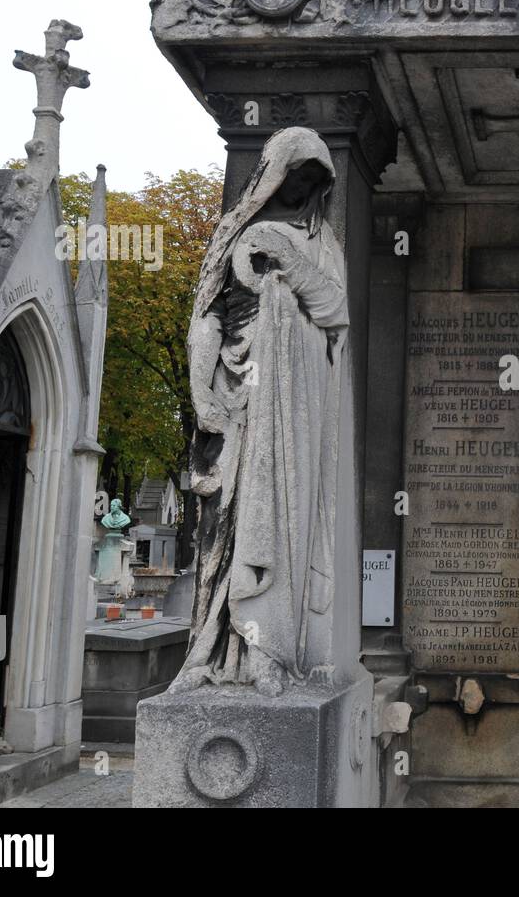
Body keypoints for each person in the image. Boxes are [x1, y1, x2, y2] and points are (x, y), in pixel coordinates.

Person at [170, 127, 349, 697]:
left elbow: (334, 308)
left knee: (290, 517)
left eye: (312, 179)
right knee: (233, 525)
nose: (300, 189)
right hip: (243, 403)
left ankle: (275, 647)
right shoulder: (235, 236)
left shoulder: (322, 245)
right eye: (293, 175)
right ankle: (226, 645)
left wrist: (289, 264)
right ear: (272, 174)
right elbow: (207, 319)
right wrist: (202, 395)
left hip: (299, 410)